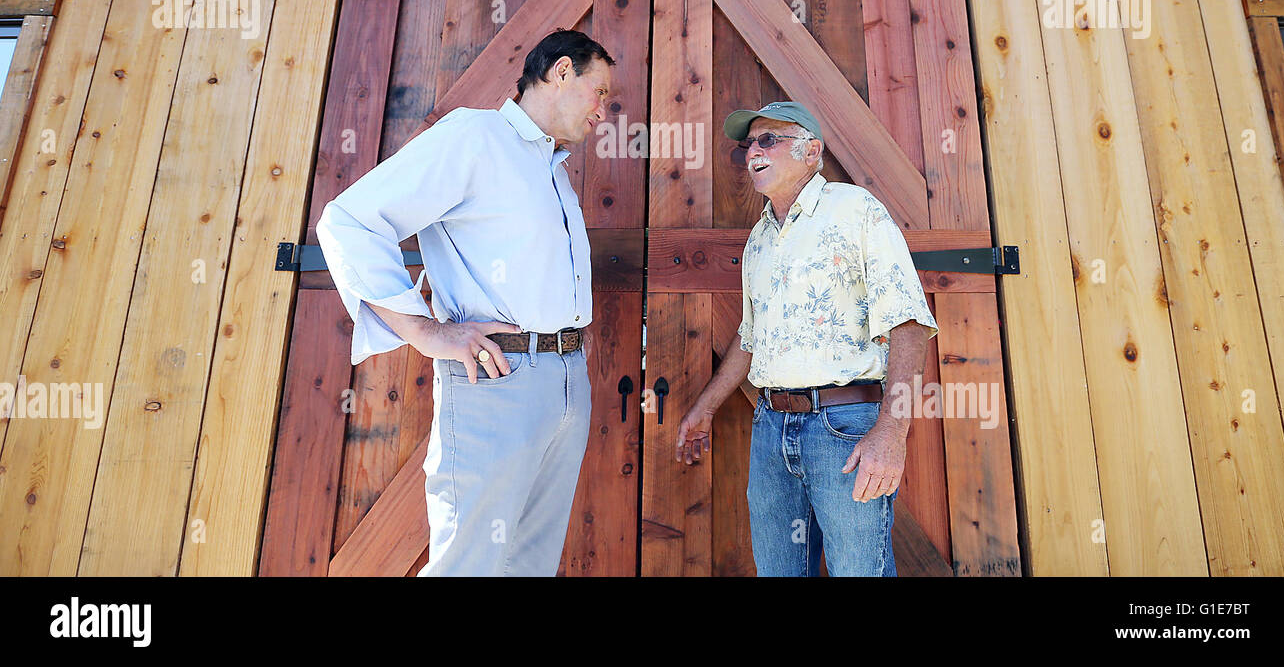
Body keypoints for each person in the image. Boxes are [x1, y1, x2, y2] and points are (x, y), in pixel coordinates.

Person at [316, 29, 614, 576]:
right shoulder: (476, 138)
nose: (603, 111)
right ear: (563, 71)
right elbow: (350, 221)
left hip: (563, 382)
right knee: (469, 566)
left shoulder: (552, 169)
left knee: (528, 567)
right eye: (600, 93)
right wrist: (426, 332)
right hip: (497, 380)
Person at [674, 101, 938, 576]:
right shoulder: (759, 237)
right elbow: (750, 340)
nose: (753, 150)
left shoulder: (854, 208)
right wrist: (707, 407)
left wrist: (893, 431)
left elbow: (909, 321)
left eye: (768, 140)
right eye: (747, 144)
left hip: (844, 427)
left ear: (811, 150)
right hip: (770, 428)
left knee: (860, 571)